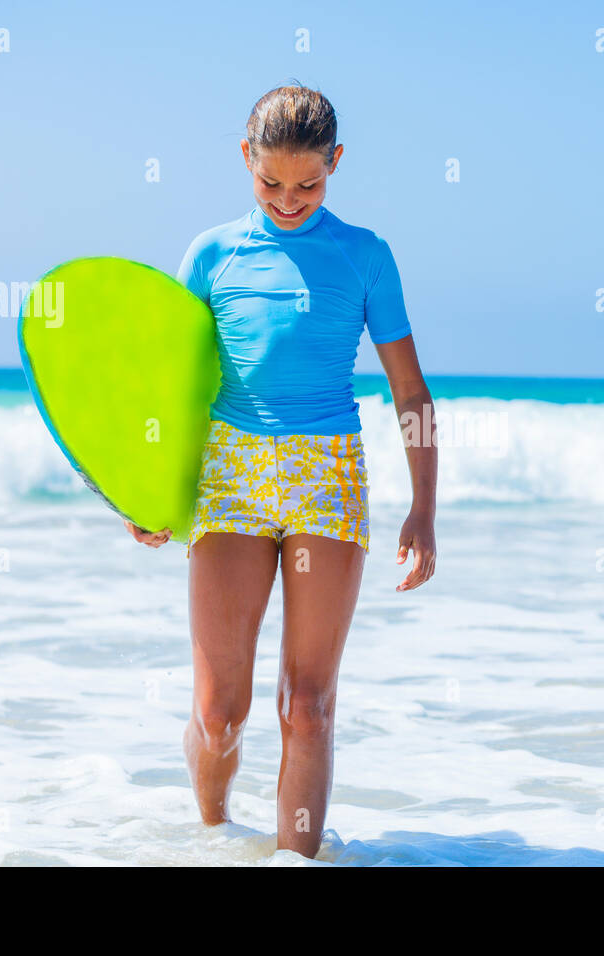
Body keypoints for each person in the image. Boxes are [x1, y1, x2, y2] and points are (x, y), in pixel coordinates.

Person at [125, 85, 437, 859]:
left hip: (326, 474)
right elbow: (170, 386)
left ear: (336, 163)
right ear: (245, 160)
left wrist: (424, 509)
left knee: (307, 705)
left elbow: (410, 391)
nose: (290, 200)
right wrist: (147, 488)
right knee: (219, 712)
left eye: (309, 183)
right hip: (229, 472)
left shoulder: (365, 256)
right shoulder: (211, 254)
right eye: (271, 183)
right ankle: (210, 840)